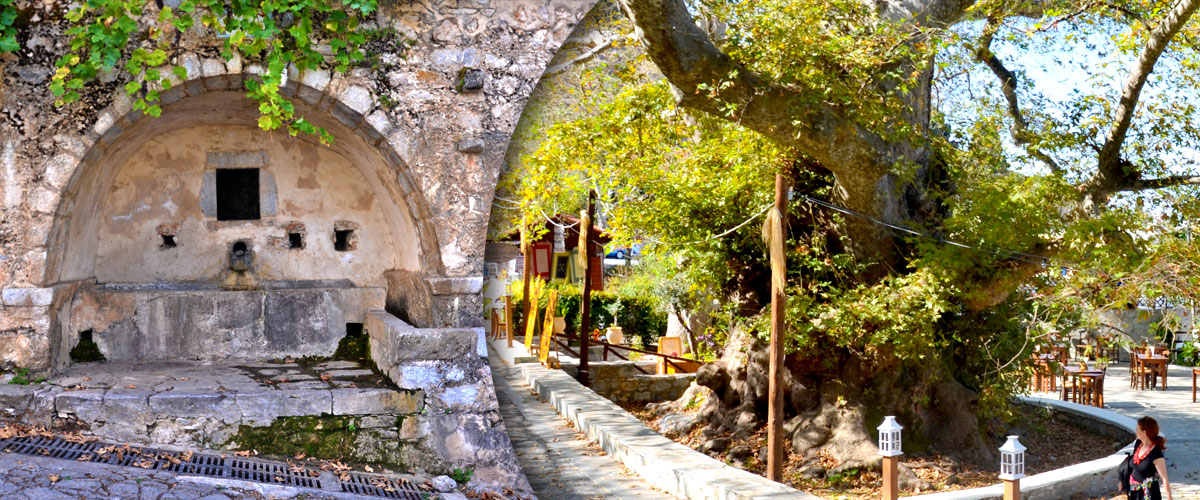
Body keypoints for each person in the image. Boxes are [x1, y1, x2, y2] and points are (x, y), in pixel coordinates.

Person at [1124, 416, 1173, 500]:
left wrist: (1169, 497)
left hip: (1149, 494)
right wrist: (1122, 481)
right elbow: (1133, 465)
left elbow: (1164, 478)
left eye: (1137, 429)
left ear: (1144, 432)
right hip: (1134, 492)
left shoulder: (1156, 453)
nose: (1135, 431)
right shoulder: (1138, 444)